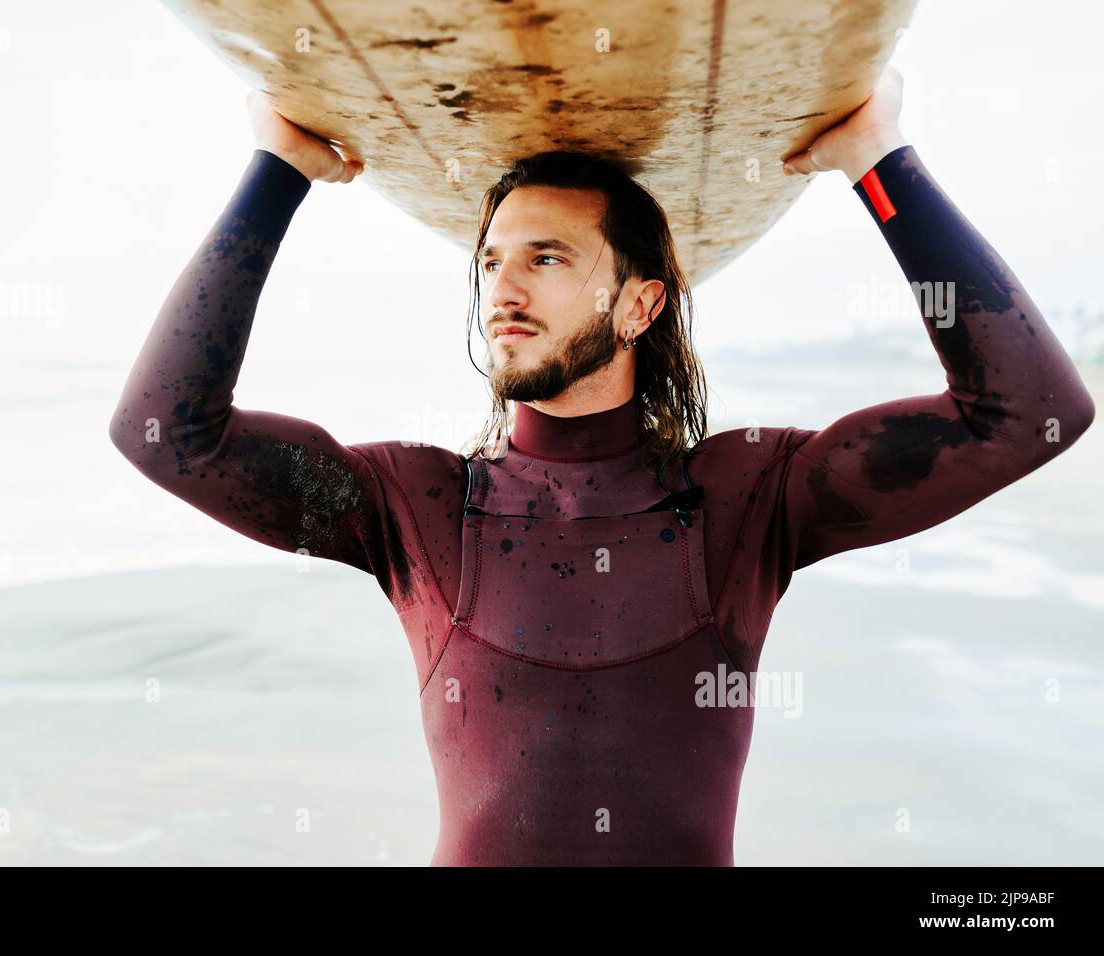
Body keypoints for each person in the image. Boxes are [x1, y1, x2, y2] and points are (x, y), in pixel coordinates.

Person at [109, 68, 1095, 865]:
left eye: (546, 258)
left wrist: (875, 160)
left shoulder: (744, 496)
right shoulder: (413, 506)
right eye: (491, 259)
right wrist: (279, 169)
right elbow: (164, 429)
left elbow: (1031, 412)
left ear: (638, 306)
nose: (501, 286)